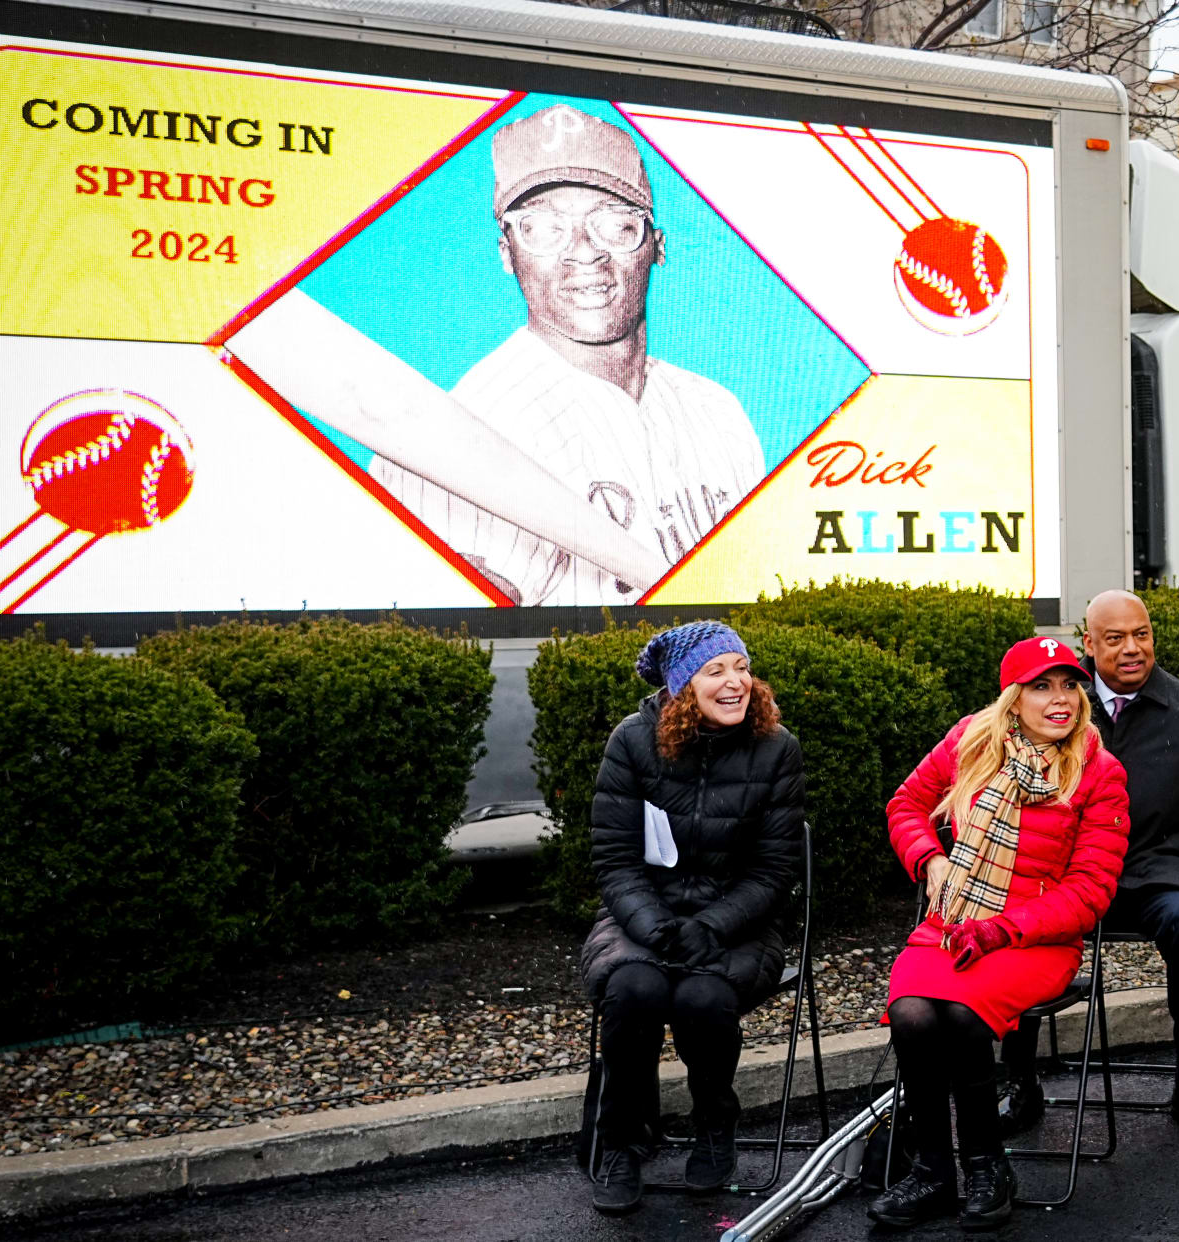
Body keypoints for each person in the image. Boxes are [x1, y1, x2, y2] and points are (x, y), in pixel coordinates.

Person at [372, 103, 765, 606]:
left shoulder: (716, 411)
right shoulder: (468, 429)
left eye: (615, 224)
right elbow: (466, 630)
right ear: (506, 253)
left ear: (656, 245)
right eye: (542, 228)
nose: (584, 252)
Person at [868, 637, 1130, 1232]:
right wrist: (929, 859)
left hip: (1035, 937)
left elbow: (1090, 890)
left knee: (960, 1015)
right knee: (911, 1012)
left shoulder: (1098, 770)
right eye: (1041, 686)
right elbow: (906, 803)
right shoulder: (971, 741)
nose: (1059, 699)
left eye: (1069, 684)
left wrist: (1003, 930)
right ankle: (932, 1171)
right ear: (1014, 699)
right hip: (953, 920)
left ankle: (986, 1166)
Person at [996, 590, 1179, 1140]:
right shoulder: (1056, 705)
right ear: (1088, 644)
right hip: (1065, 878)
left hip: (1159, 876)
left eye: (1142, 634)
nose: (1132, 649)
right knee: (1016, 920)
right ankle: (1018, 1082)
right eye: (1115, 639)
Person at [576, 622, 804, 1213]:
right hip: (641, 915)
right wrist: (653, 927)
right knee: (633, 987)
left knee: (703, 999)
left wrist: (712, 926)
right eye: (715, 671)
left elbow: (774, 870)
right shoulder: (632, 741)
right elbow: (615, 858)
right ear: (681, 686)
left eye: (740, 667)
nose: (735, 684)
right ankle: (622, 1142)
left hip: (738, 920)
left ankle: (714, 1126)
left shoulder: (777, 747)